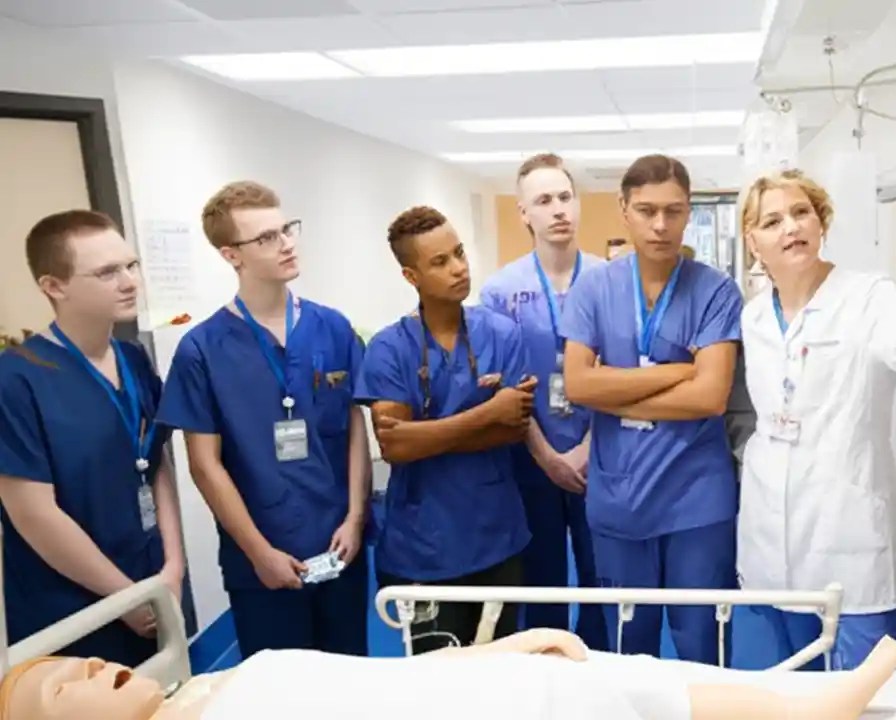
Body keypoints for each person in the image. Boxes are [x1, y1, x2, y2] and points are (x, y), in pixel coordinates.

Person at [736, 169, 896, 669]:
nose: (790, 227)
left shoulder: (867, 297)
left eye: (801, 212)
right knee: (786, 683)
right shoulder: (755, 316)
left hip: (845, 529)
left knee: (866, 690)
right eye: (772, 220)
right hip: (768, 527)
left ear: (821, 222)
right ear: (754, 243)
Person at [157, 182, 371, 659]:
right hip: (263, 560)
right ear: (232, 255)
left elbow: (355, 426)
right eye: (267, 238)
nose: (287, 243)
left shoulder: (332, 327)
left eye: (287, 229)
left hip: (341, 547)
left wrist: (357, 516)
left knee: (352, 683)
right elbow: (204, 465)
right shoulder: (202, 350)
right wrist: (258, 551)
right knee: (277, 694)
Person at [560, 154, 742, 663]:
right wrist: (678, 370)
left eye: (674, 211)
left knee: (703, 644)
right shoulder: (594, 289)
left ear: (688, 213)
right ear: (623, 210)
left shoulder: (715, 291)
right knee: (626, 645)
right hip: (619, 497)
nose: (660, 225)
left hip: (696, 500)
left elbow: (710, 398)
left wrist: (612, 387)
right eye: (646, 210)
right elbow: (577, 384)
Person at [0, 210, 194, 666]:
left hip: (155, 583)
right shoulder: (17, 380)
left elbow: (156, 463)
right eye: (107, 272)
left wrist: (173, 566)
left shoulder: (133, 359)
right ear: (54, 286)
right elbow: (34, 514)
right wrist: (125, 597)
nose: (129, 282)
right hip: (76, 606)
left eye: (131, 266)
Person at [0, 629, 896, 720]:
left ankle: (795, 701)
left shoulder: (219, 681)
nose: (91, 661)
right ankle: (807, 709)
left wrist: (496, 650)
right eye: (61, 687)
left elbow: (369, 677)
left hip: (463, 691)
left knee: (608, 670)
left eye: (76, 656)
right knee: (602, 698)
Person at [356, 205, 535, 653]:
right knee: (439, 685)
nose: (458, 268)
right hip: (423, 546)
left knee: (505, 673)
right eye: (440, 262)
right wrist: (486, 413)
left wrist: (428, 434)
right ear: (411, 277)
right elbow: (395, 445)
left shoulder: (502, 333)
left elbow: (513, 427)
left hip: (497, 538)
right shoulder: (388, 348)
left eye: (459, 253)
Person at [479, 153, 608, 649]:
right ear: (523, 214)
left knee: (603, 577)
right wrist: (547, 456)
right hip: (531, 458)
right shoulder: (500, 291)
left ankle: (596, 670)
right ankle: (548, 669)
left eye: (565, 197)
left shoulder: (608, 280)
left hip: (599, 453)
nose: (558, 210)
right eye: (543, 200)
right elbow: (505, 387)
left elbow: (619, 372)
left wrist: (588, 446)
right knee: (541, 579)